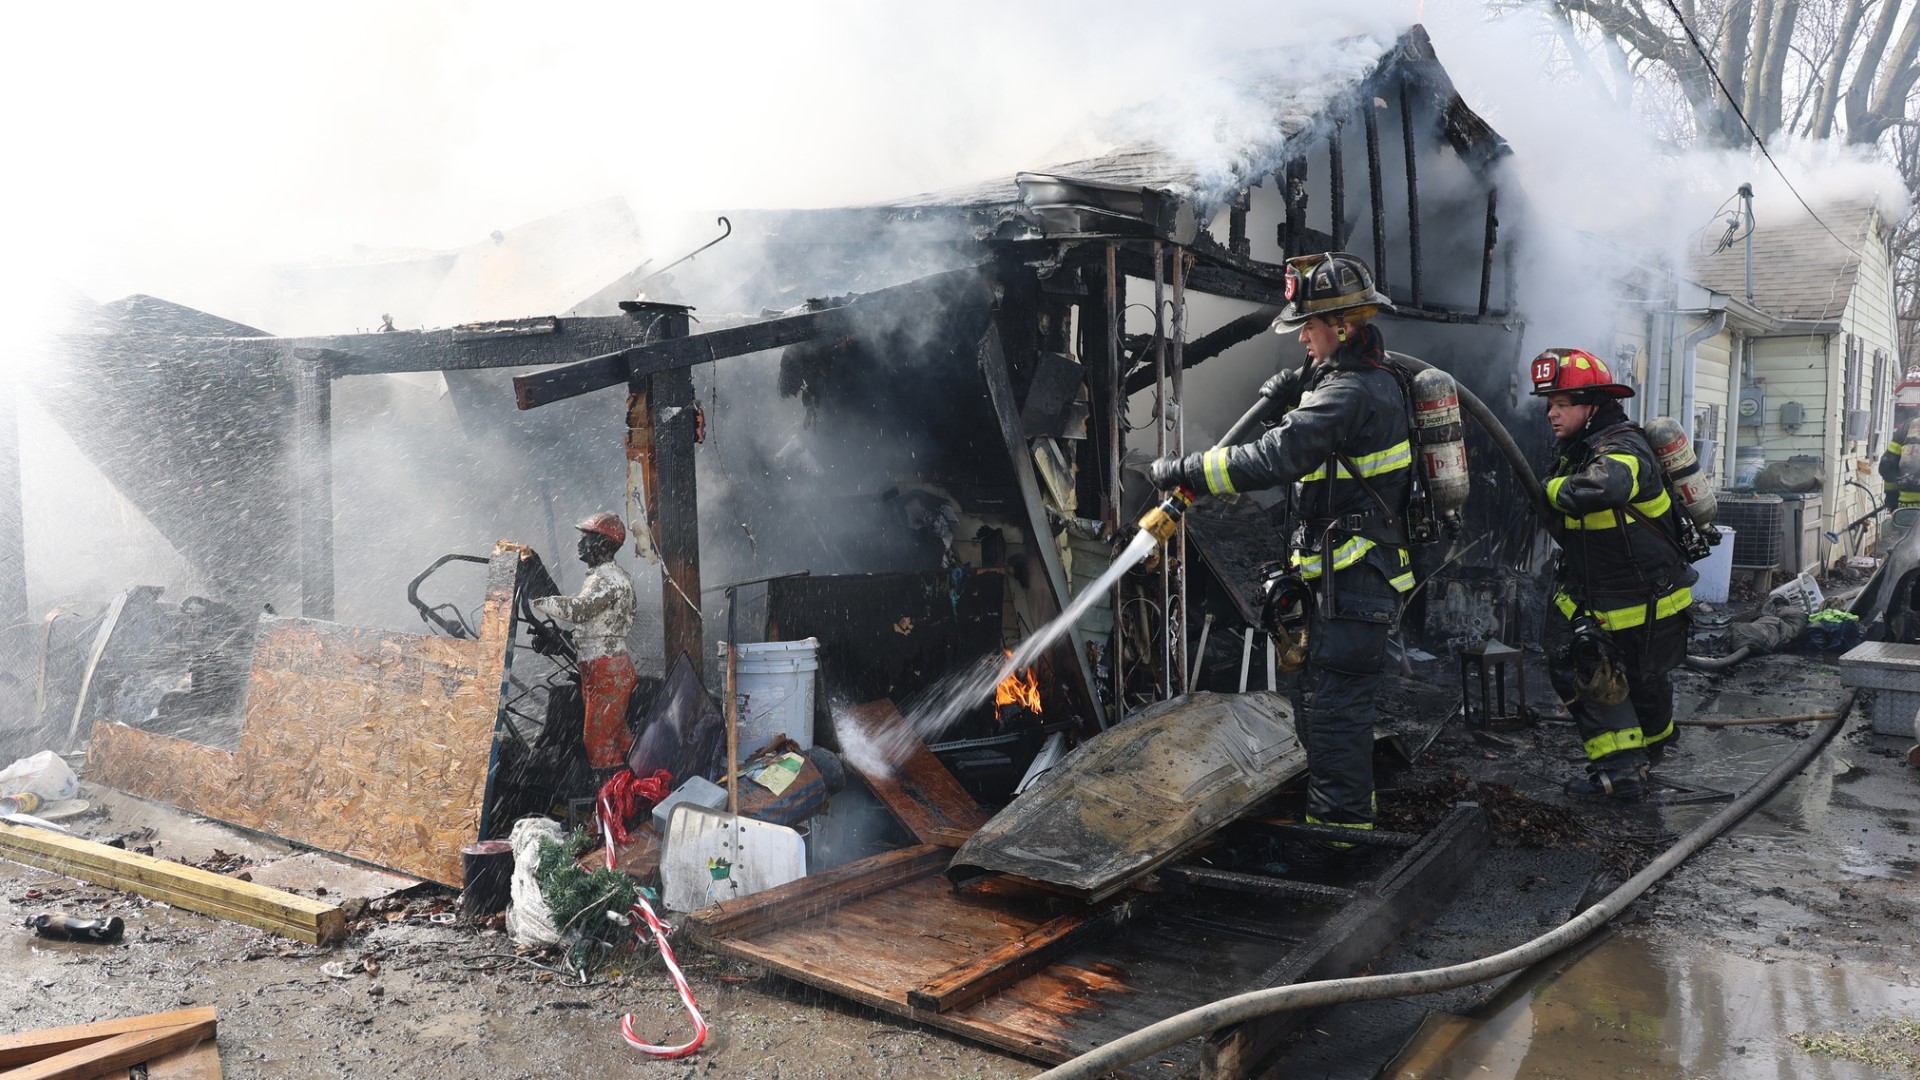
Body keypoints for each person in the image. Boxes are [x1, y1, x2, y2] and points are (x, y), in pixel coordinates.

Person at [1150, 251, 1414, 841]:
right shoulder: (1359, 381)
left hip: (1355, 584)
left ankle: (1340, 836)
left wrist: (1184, 469)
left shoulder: (1351, 392)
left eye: (1310, 329)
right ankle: (1340, 821)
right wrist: (1303, 382)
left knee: (1334, 713)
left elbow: (1275, 457)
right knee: (1323, 708)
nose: (1303, 340)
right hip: (1347, 583)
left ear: (1342, 327)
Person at [1530, 348, 1694, 800]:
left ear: (1592, 404)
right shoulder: (1583, 447)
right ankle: (1652, 748)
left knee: (1587, 667)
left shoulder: (1620, 447)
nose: (1552, 413)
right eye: (1550, 405)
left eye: (1563, 404)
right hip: (1629, 591)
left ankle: (1621, 772)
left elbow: (1606, 485)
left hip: (1636, 597)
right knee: (1641, 676)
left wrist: (1547, 488)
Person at [532, 512, 640, 774]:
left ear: (602, 544)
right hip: (605, 668)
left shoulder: (607, 580)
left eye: (585, 538)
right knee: (619, 737)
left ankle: (611, 802)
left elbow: (580, 610)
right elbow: (602, 623)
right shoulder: (609, 577)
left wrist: (540, 601)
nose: (580, 544)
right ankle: (635, 782)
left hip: (607, 671)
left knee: (597, 741)